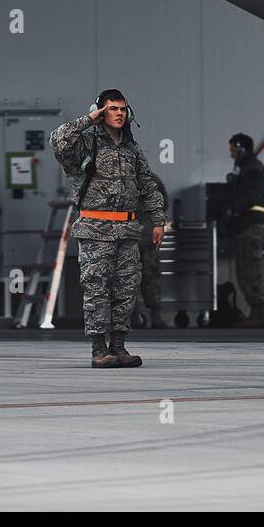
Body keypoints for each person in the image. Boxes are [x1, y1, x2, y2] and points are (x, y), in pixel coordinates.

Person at [51, 89, 164, 368]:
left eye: (123, 109)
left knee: (126, 289)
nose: (119, 113)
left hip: (127, 230)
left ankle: (119, 347)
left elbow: (148, 184)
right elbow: (57, 141)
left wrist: (159, 220)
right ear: (101, 112)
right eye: (112, 109)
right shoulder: (86, 143)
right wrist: (89, 119)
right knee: (97, 289)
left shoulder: (130, 147)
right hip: (95, 229)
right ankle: (99, 349)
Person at [226, 133, 264, 328]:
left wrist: (232, 210)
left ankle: (260, 312)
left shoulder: (252, 170)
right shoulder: (248, 168)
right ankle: (257, 311)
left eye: (233, 150)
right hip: (246, 226)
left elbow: (249, 197)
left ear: (241, 148)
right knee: (245, 269)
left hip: (249, 227)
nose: (231, 155)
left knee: (250, 269)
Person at [133, 173, 169, 329]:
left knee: (128, 277)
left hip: (130, 232)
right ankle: (155, 315)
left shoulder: (120, 175)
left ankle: (134, 317)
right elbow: (164, 203)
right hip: (147, 232)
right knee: (151, 274)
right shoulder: (151, 177)